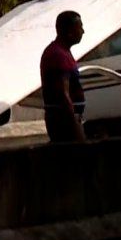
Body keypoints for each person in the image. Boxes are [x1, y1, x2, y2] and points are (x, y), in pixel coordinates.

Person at [40, 11, 87, 142]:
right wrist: (75, 125)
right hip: (64, 121)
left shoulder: (63, 52)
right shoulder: (58, 55)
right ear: (70, 31)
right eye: (80, 27)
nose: (83, 31)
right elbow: (63, 94)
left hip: (66, 119)